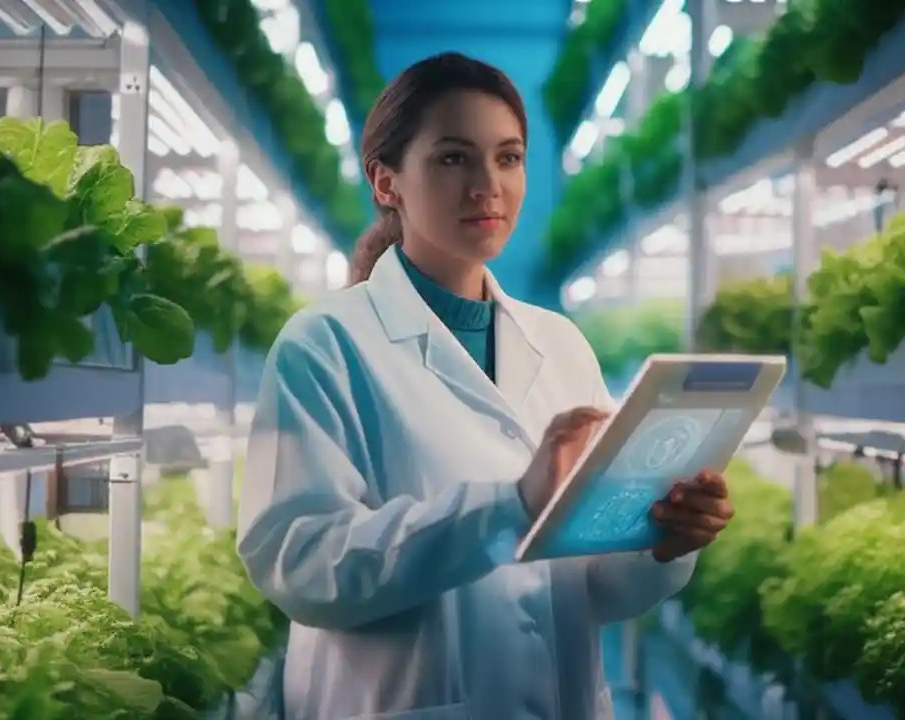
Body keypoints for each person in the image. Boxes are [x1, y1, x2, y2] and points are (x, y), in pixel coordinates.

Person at [237, 52, 735, 720]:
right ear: (388, 183)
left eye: (508, 157)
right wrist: (512, 505)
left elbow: (593, 587)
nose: (487, 186)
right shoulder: (324, 344)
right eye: (452, 159)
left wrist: (662, 542)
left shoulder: (559, 344)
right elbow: (298, 565)